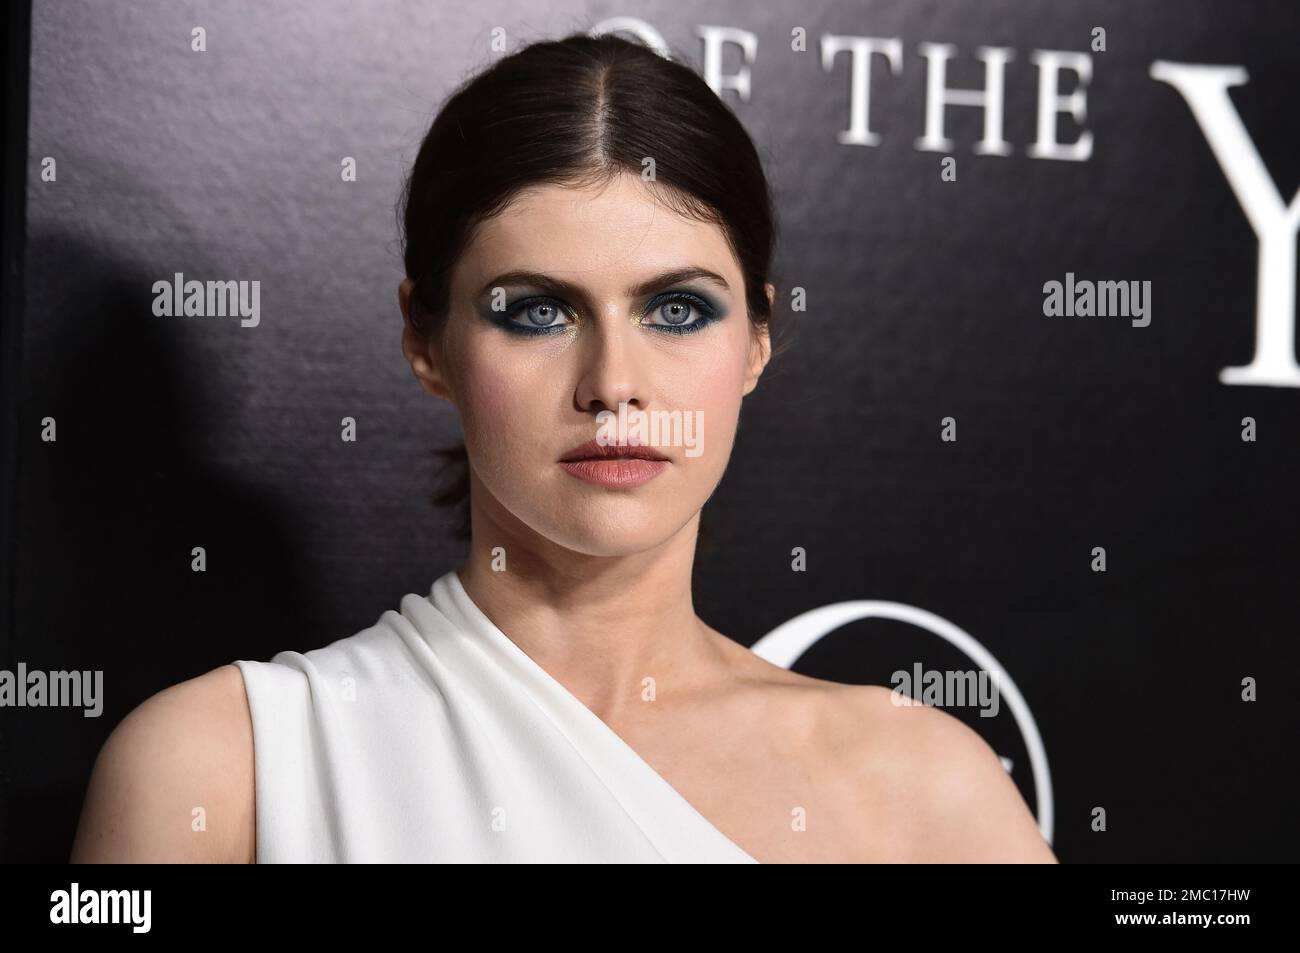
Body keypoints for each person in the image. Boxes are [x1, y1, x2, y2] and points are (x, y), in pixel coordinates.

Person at [70, 31, 1057, 863]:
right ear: (426, 340)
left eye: (677, 308)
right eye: (537, 310)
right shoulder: (218, 767)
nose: (612, 383)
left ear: (756, 339)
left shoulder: (926, 792)